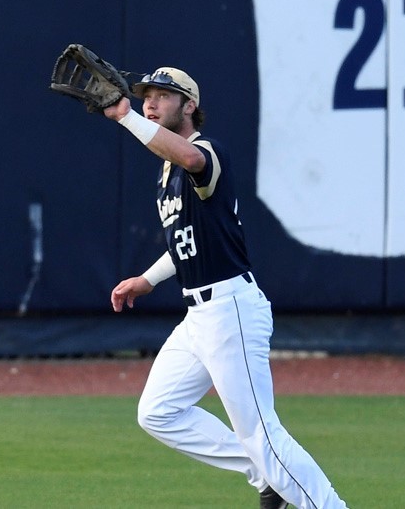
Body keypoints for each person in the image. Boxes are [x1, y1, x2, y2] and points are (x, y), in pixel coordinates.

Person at [104, 67, 348, 509]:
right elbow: (189, 243)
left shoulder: (205, 151)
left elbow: (193, 160)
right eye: (145, 96)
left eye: (163, 95)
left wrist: (125, 117)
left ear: (190, 105)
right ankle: (264, 473)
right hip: (198, 317)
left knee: (263, 434)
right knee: (158, 412)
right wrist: (147, 279)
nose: (151, 103)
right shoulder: (164, 174)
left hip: (230, 308)